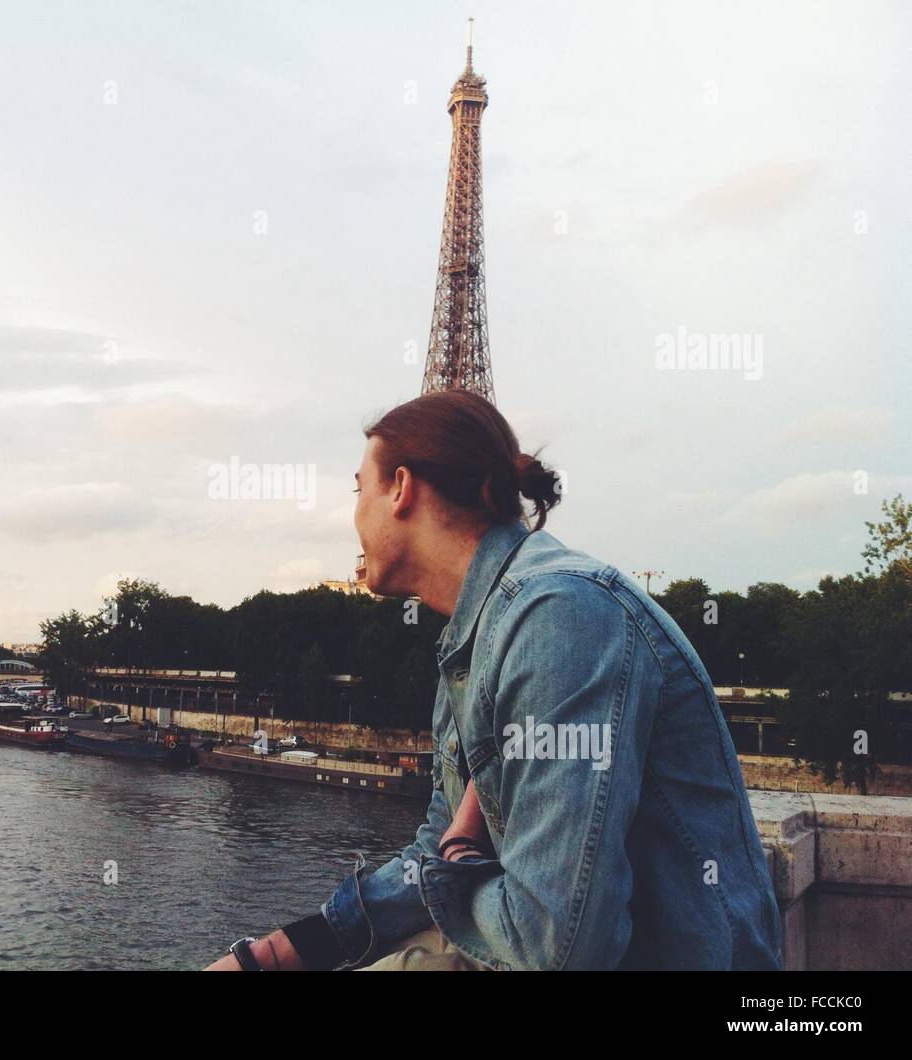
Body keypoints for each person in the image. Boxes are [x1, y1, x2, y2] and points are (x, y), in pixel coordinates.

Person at [206, 390, 782, 971]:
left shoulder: (560, 616)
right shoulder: (485, 629)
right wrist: (279, 953)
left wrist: (455, 855)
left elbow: (555, 946)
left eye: (360, 490)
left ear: (401, 488)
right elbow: (440, 844)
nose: (354, 515)